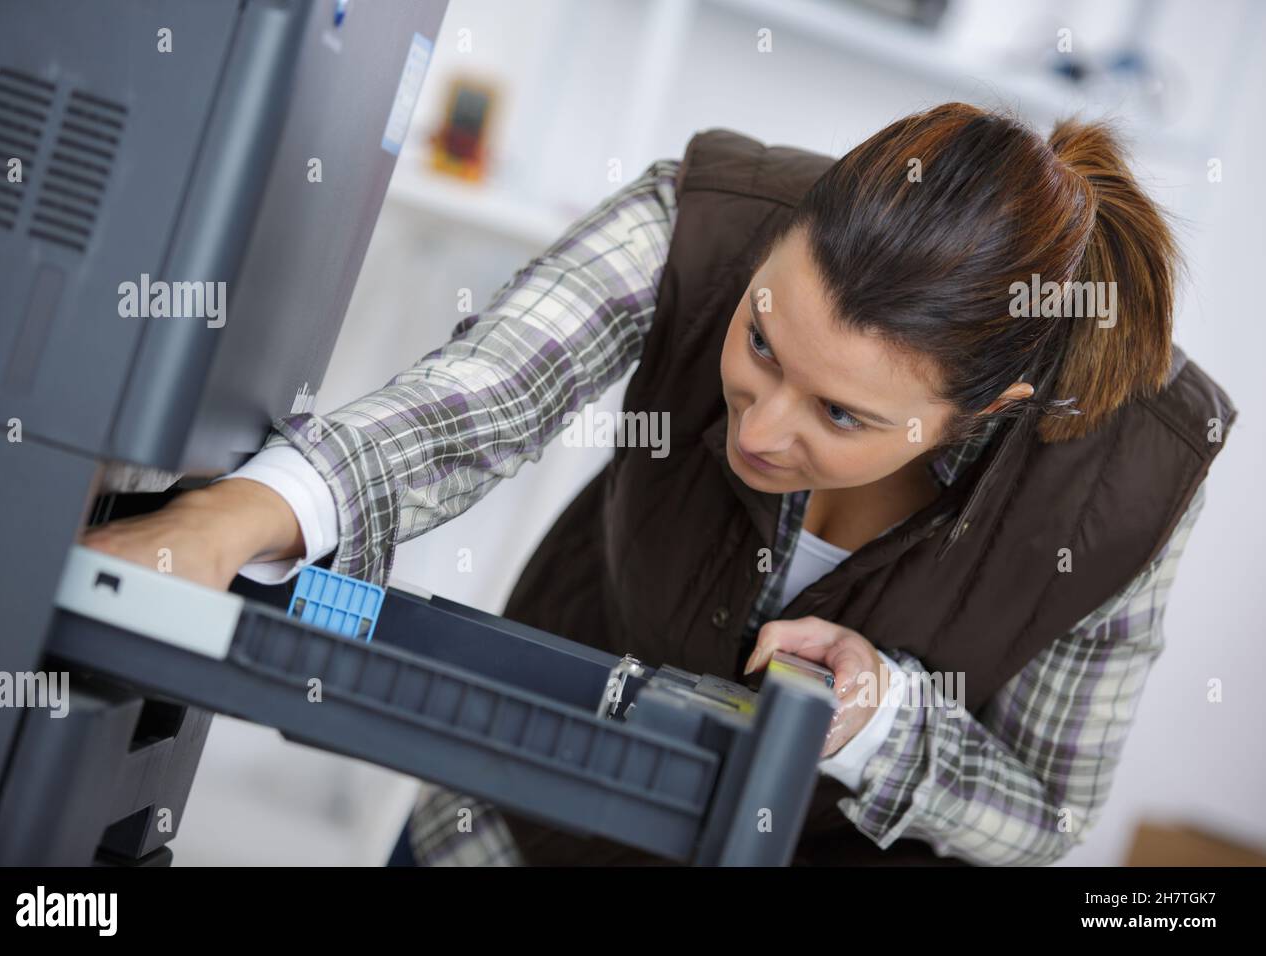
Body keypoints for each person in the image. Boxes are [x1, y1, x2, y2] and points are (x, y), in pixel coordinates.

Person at [83, 102, 1236, 866]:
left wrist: (878, 717)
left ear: (987, 415)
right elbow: (483, 398)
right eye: (762, 342)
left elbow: (1043, 811)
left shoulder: (1131, 479)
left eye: (840, 414)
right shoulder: (703, 221)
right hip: (506, 826)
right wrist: (230, 514)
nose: (764, 426)